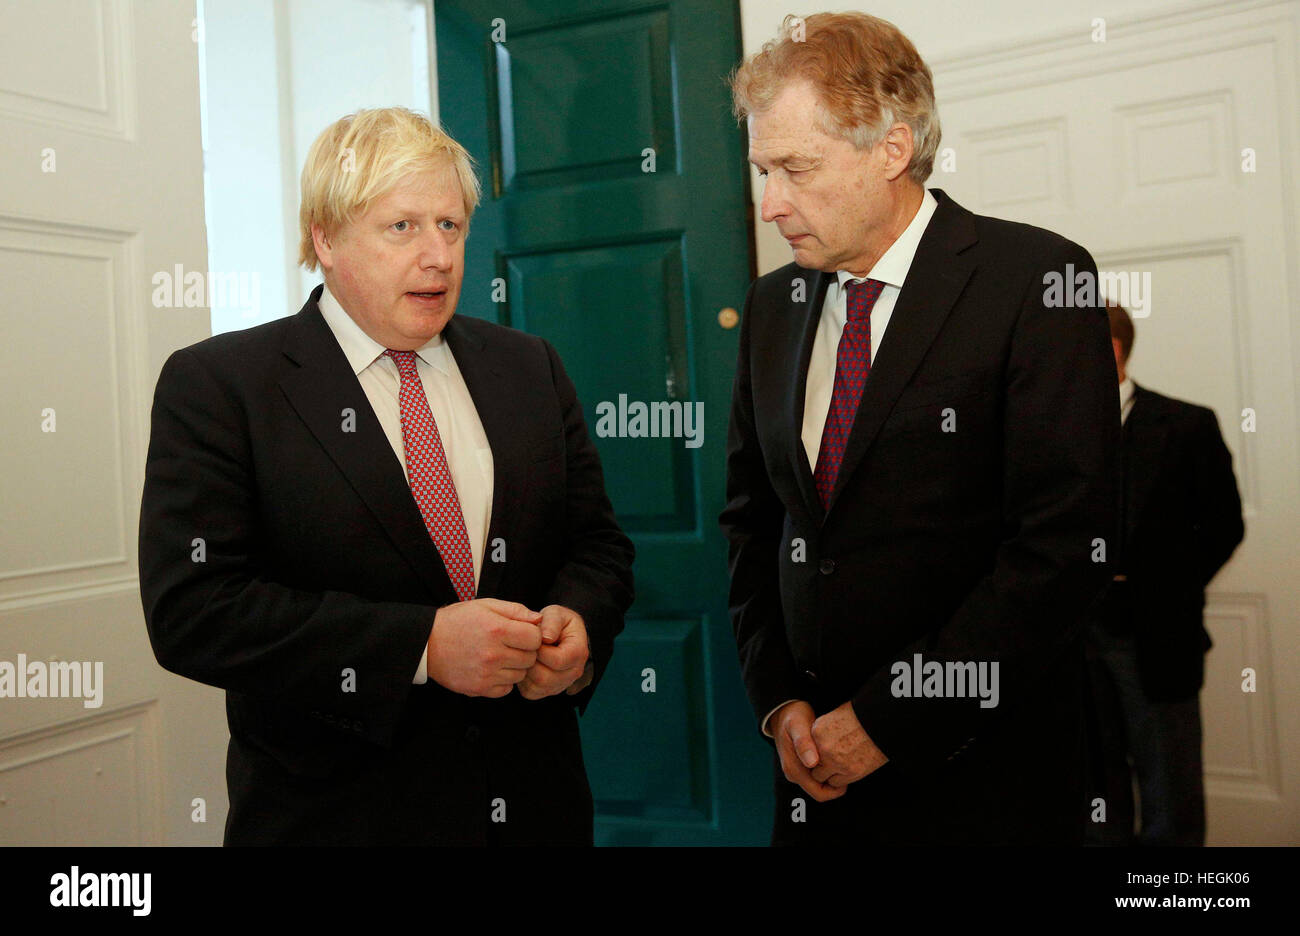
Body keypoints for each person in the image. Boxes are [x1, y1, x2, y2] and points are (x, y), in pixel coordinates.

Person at [138, 107, 634, 845]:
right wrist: (423, 648)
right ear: (326, 238)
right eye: (402, 227)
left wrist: (578, 626)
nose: (438, 256)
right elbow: (195, 611)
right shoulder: (222, 386)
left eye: (451, 226)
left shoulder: (528, 367)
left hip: (534, 806)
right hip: (336, 818)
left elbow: (596, 546)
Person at [720, 12, 1118, 844]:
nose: (770, 205)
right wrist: (779, 702)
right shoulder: (771, 307)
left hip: (987, 780)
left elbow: (1061, 548)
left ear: (891, 150)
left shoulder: (1037, 281)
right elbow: (754, 523)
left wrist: (888, 720)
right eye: (764, 170)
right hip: (814, 783)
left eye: (795, 168)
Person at [1084, 303, 1244, 846]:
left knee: (1170, 790)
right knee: (1092, 792)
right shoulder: (1046, 433)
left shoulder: (1186, 425)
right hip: (1070, 640)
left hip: (1156, 636)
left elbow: (1223, 528)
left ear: (1112, 350)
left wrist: (1161, 589)